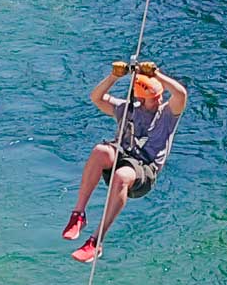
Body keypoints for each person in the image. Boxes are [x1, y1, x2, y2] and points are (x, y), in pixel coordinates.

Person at [63, 60, 188, 262]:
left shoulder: (167, 114)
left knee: (122, 175)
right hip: (124, 156)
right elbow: (96, 97)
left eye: (158, 97)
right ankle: (78, 214)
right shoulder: (127, 109)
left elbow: (181, 94)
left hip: (144, 170)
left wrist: (156, 75)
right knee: (100, 151)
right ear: (139, 97)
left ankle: (96, 241)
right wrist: (115, 76)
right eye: (151, 99)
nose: (156, 101)